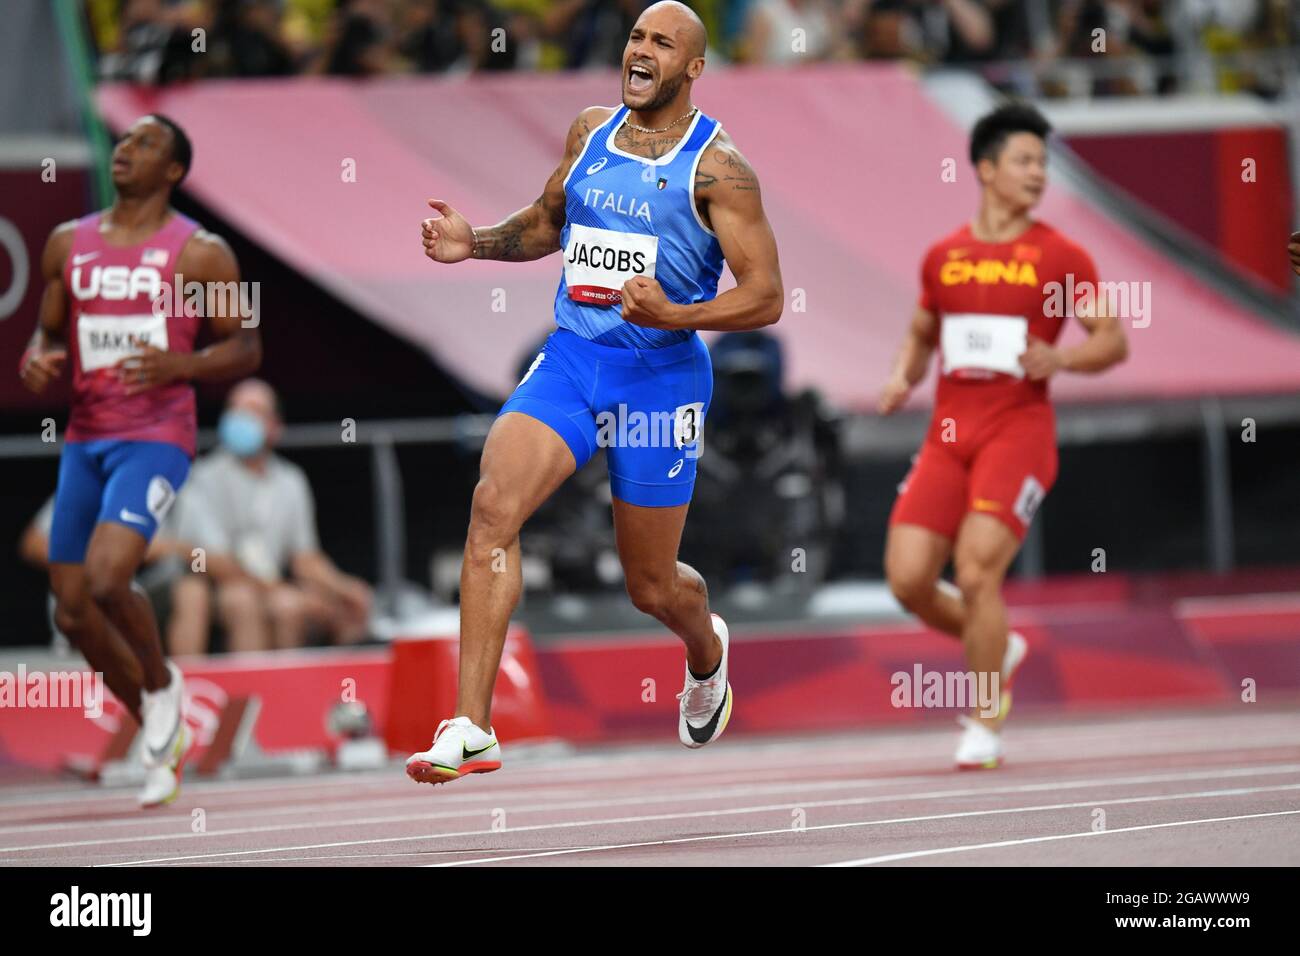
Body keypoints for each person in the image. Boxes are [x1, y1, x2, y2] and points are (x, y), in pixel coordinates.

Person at [410, 0, 783, 785]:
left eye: (663, 43)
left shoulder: (721, 170)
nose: (642, 52)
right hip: (575, 359)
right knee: (492, 510)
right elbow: (550, 223)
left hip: (661, 379)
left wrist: (676, 312)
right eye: (637, 37)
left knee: (651, 585)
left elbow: (765, 296)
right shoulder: (589, 131)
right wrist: (472, 242)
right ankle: (472, 724)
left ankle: (706, 651)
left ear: (693, 68)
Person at [18, 114, 262, 806]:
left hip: (156, 436)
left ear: (175, 171)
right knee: (71, 612)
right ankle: (159, 708)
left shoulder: (203, 254)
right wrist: (40, 356)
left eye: (146, 145)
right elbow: (48, 328)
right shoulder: (69, 243)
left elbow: (246, 347)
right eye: (125, 142)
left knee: (105, 579)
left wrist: (178, 363)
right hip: (85, 438)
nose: (126, 150)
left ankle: (162, 686)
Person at [879, 103, 1128, 770]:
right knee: (906, 580)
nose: (1037, 174)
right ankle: (999, 645)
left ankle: (985, 719)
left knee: (977, 568)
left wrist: (1064, 358)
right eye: (1024, 161)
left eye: (1043, 164)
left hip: (1017, 432)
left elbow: (1111, 338)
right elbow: (921, 334)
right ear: (986, 169)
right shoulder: (945, 256)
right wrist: (903, 376)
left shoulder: (1060, 255)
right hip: (948, 433)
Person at [169, 378, 373, 655]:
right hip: (219, 586)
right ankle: (250, 694)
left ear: (275, 427)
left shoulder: (291, 481)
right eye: (234, 409)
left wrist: (344, 588)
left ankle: (291, 694)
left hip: (273, 586)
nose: (240, 417)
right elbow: (216, 562)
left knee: (296, 607)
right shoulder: (203, 478)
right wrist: (277, 590)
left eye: (252, 410)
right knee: (244, 601)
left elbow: (304, 558)